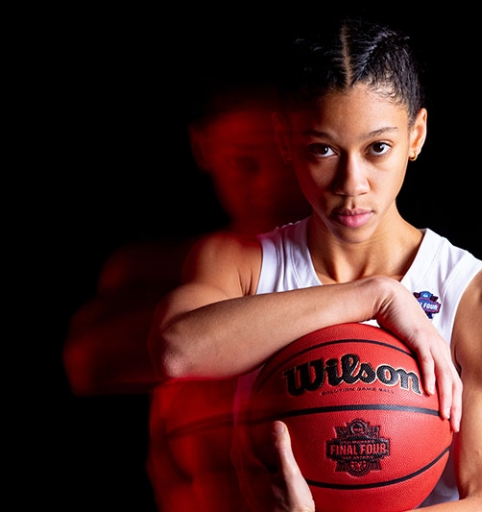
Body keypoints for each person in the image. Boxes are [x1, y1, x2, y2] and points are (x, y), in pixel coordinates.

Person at [149, 16, 482, 511]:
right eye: (323, 150)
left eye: (378, 148)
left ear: (416, 136)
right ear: (286, 139)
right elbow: (175, 350)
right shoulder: (239, 264)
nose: (351, 182)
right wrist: (374, 295)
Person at [62, 79, 310, 511]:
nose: (271, 186)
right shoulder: (158, 270)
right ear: (202, 148)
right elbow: (87, 359)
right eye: (245, 163)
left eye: (287, 160)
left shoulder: (365, 268)